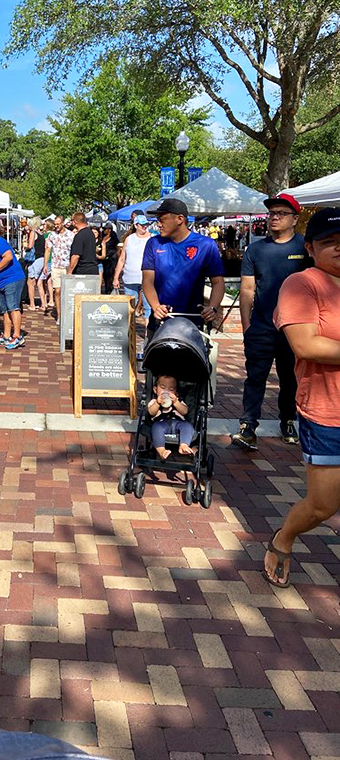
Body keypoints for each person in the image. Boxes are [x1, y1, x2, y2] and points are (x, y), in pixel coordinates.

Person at [262, 208, 340, 588]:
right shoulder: (301, 284)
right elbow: (306, 345)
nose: (339, 248)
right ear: (310, 248)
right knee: (324, 505)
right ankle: (284, 537)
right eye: (329, 242)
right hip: (328, 413)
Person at [232, 193, 311, 450]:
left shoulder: (305, 248)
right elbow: (247, 290)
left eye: (281, 213)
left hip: (294, 329)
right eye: (272, 213)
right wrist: (247, 327)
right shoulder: (255, 250)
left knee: (290, 378)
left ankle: (288, 419)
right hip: (262, 327)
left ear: (294, 219)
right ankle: (248, 426)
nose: (274, 217)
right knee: (255, 378)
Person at [142, 198, 225, 333]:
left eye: (162, 219)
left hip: (193, 325)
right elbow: (147, 281)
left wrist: (213, 308)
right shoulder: (153, 243)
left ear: (180, 219)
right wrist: (156, 307)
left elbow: (218, 282)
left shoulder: (206, 245)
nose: (158, 224)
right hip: (160, 324)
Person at [113, 214, 152, 320]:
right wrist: (116, 277)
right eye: (142, 225)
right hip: (129, 278)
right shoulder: (129, 239)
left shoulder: (152, 238)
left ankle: (148, 330)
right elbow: (122, 259)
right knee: (130, 308)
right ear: (136, 225)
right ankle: (130, 329)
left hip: (146, 279)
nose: (144, 227)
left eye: (146, 224)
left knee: (148, 308)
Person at [148, 374, 195, 460]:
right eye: (162, 388)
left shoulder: (178, 401)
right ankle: (161, 450)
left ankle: (183, 445)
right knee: (156, 427)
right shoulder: (154, 401)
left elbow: (185, 411)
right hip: (161, 424)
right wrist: (157, 403)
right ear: (155, 390)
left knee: (188, 426)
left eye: (171, 389)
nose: (166, 391)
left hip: (178, 423)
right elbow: (151, 412)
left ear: (176, 393)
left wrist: (176, 402)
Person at [45, 216, 75, 322]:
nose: (56, 226)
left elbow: (74, 251)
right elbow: (47, 250)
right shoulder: (52, 235)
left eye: (58, 224)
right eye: (55, 224)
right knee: (57, 291)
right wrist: (45, 265)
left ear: (63, 223)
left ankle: (67, 313)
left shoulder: (71, 235)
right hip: (56, 265)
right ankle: (59, 315)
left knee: (67, 291)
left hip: (67, 266)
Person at [26, 217, 46, 311]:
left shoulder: (33, 233)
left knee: (30, 282)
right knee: (39, 283)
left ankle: (32, 304)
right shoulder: (41, 234)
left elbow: (30, 246)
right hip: (42, 259)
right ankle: (44, 304)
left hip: (35, 259)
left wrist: (26, 247)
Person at [100, 223, 120, 295]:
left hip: (112, 259)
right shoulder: (101, 237)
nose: (104, 230)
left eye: (105, 229)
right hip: (103, 259)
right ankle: (106, 290)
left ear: (109, 230)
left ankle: (110, 291)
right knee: (105, 275)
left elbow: (117, 249)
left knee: (110, 275)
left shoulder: (114, 238)